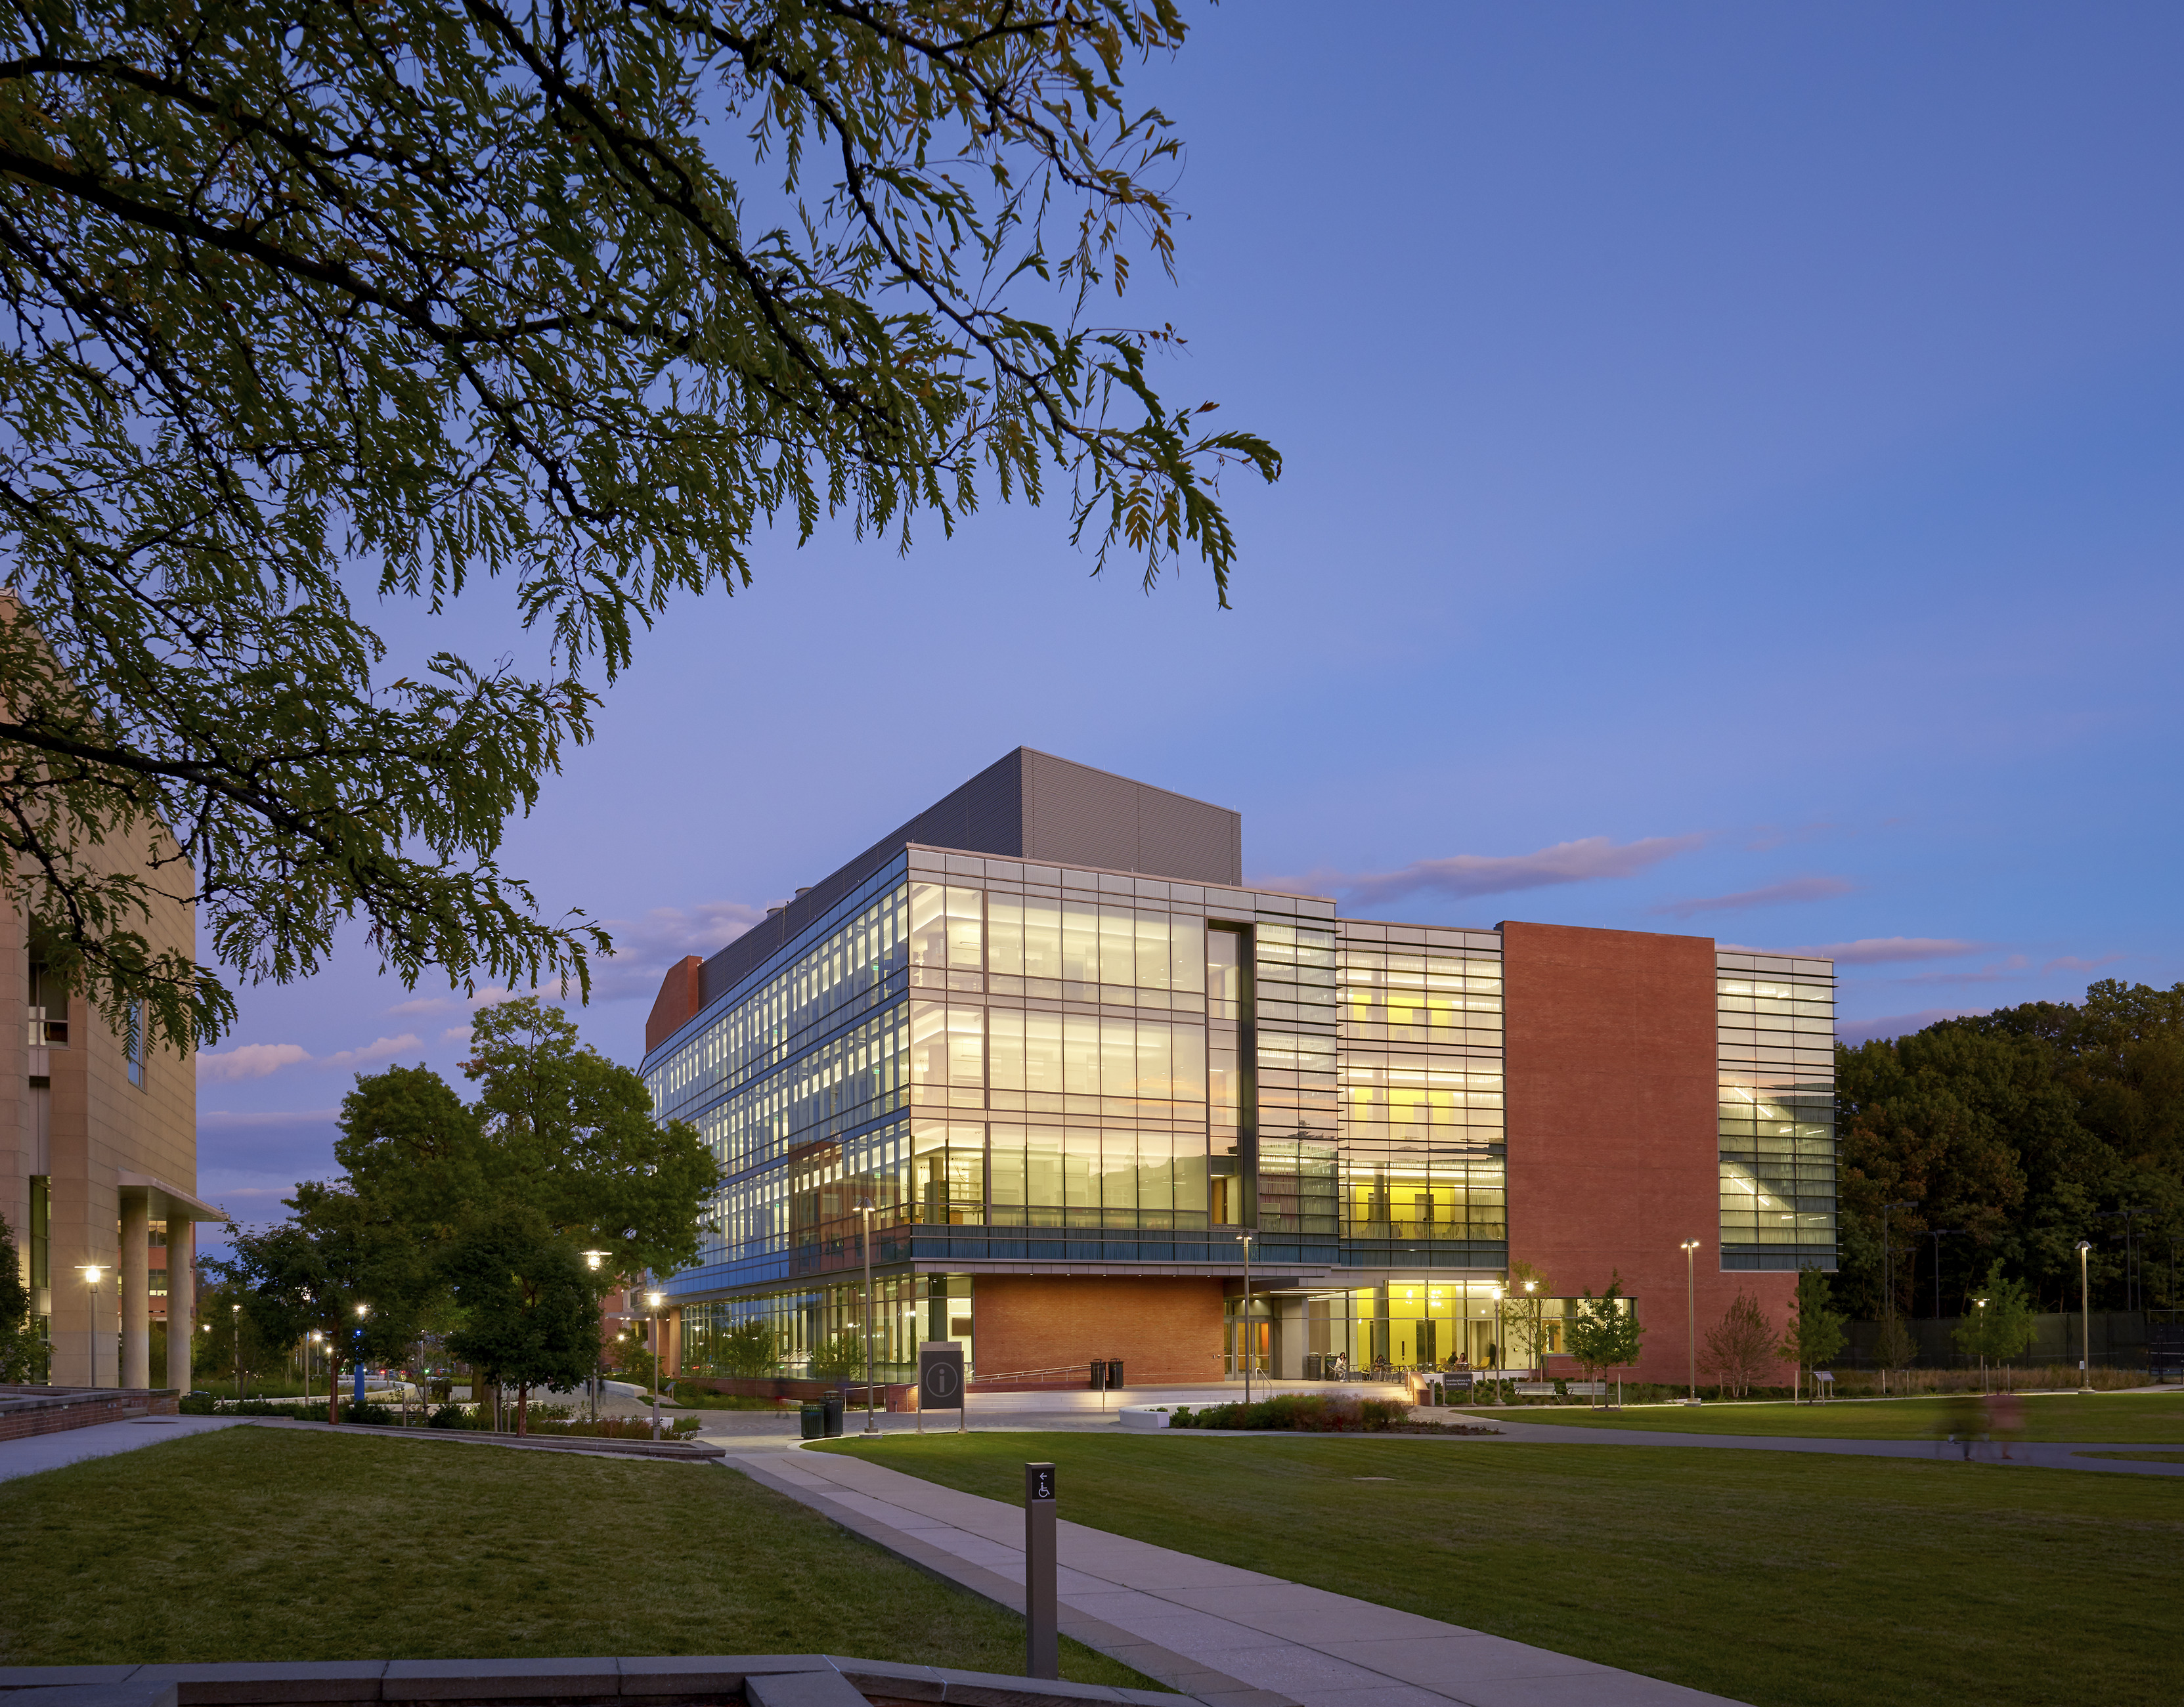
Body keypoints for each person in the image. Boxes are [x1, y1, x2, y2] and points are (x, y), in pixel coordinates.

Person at [1985, 1390, 2025, 1461]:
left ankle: (2004, 1454)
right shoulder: (2007, 1405)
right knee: (2007, 1438)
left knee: (2006, 1438)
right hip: (2005, 1424)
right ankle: (2004, 1454)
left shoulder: (2000, 1405)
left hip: (2002, 1423)